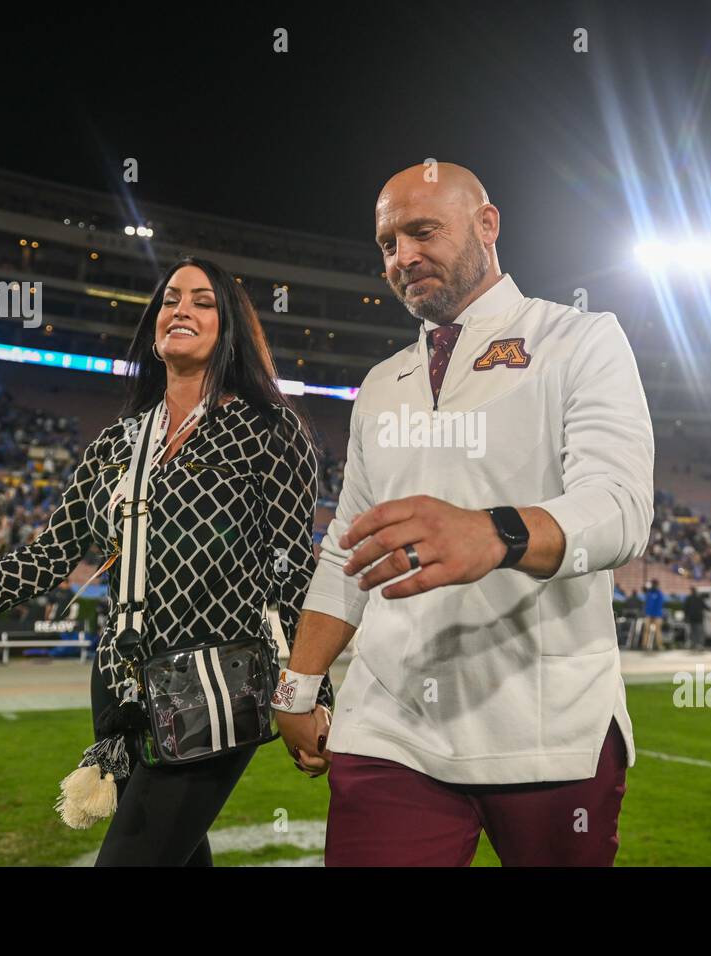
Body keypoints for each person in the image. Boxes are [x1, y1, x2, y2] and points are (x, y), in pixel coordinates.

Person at [0, 256, 324, 866]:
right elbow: (50, 554)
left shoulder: (271, 430)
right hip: (123, 686)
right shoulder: (115, 444)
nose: (181, 311)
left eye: (202, 301)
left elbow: (292, 565)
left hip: (216, 685)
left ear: (230, 328)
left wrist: (308, 694)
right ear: (153, 323)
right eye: (171, 300)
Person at [272, 162, 653, 866]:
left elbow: (622, 508)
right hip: (389, 728)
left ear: (487, 225)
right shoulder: (383, 384)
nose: (403, 256)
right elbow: (345, 551)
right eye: (388, 243)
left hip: (547, 723)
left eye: (423, 231)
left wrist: (495, 533)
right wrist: (298, 684)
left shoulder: (581, 339)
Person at [643, 579, 666, 650]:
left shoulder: (657, 593)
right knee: (649, 630)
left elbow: (657, 605)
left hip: (654, 614)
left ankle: (658, 646)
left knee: (656, 630)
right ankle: (645, 645)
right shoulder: (650, 593)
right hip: (653, 614)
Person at [684, 586, 707, 652]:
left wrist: (686, 617)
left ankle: (695, 645)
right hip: (698, 618)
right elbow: (704, 606)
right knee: (698, 632)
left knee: (693, 632)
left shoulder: (689, 598)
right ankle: (698, 645)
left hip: (693, 619)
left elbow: (685, 609)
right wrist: (710, 609)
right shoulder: (699, 598)